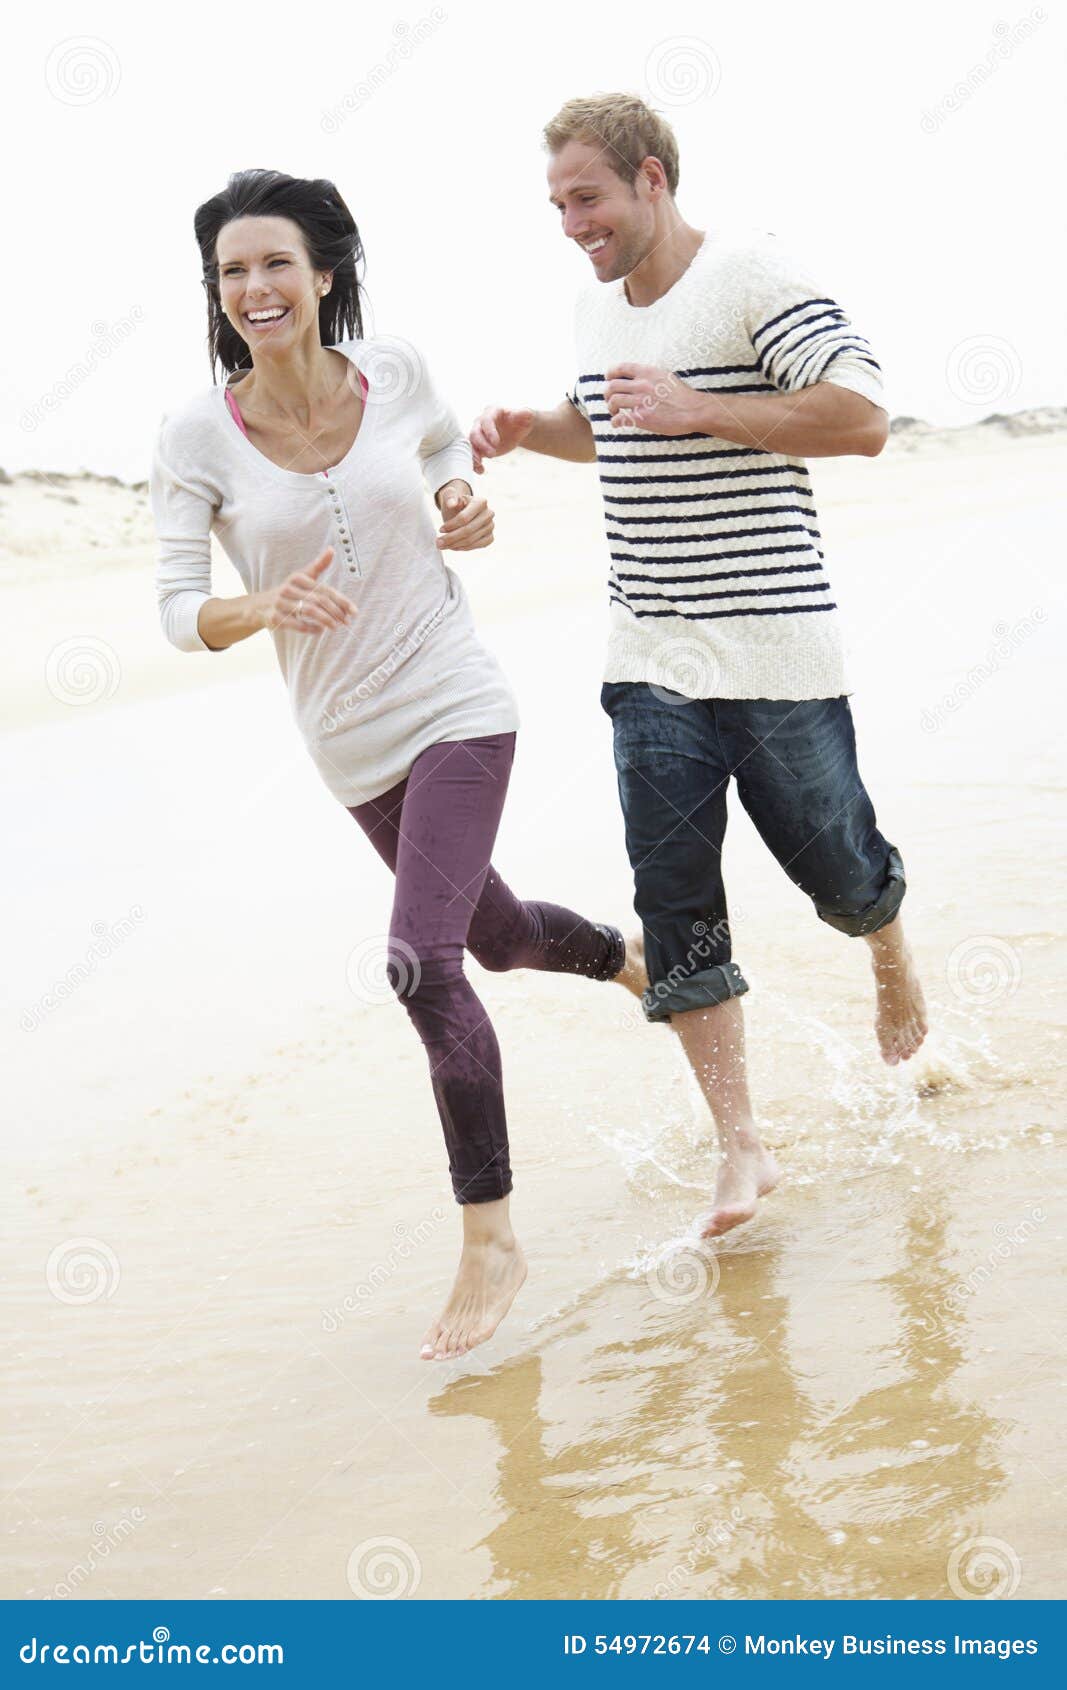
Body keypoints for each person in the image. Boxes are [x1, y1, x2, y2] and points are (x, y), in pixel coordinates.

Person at [149, 169, 644, 1361]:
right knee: (499, 938)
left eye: (276, 263)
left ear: (324, 273)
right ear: (217, 294)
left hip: (455, 700)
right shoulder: (193, 436)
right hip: (351, 745)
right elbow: (176, 612)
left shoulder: (401, 370)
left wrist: (460, 497)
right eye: (232, 272)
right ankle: (635, 959)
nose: (255, 288)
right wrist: (261, 602)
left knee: (418, 964)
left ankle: (490, 1231)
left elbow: (434, 457)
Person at [471, 94, 928, 1241]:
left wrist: (700, 406)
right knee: (674, 900)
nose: (572, 223)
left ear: (651, 178)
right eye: (557, 205)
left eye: (587, 198)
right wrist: (539, 426)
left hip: (773, 647)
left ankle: (886, 946)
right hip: (649, 653)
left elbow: (865, 414)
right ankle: (741, 1147)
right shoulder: (591, 309)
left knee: (836, 867)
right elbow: (615, 422)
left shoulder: (751, 277)